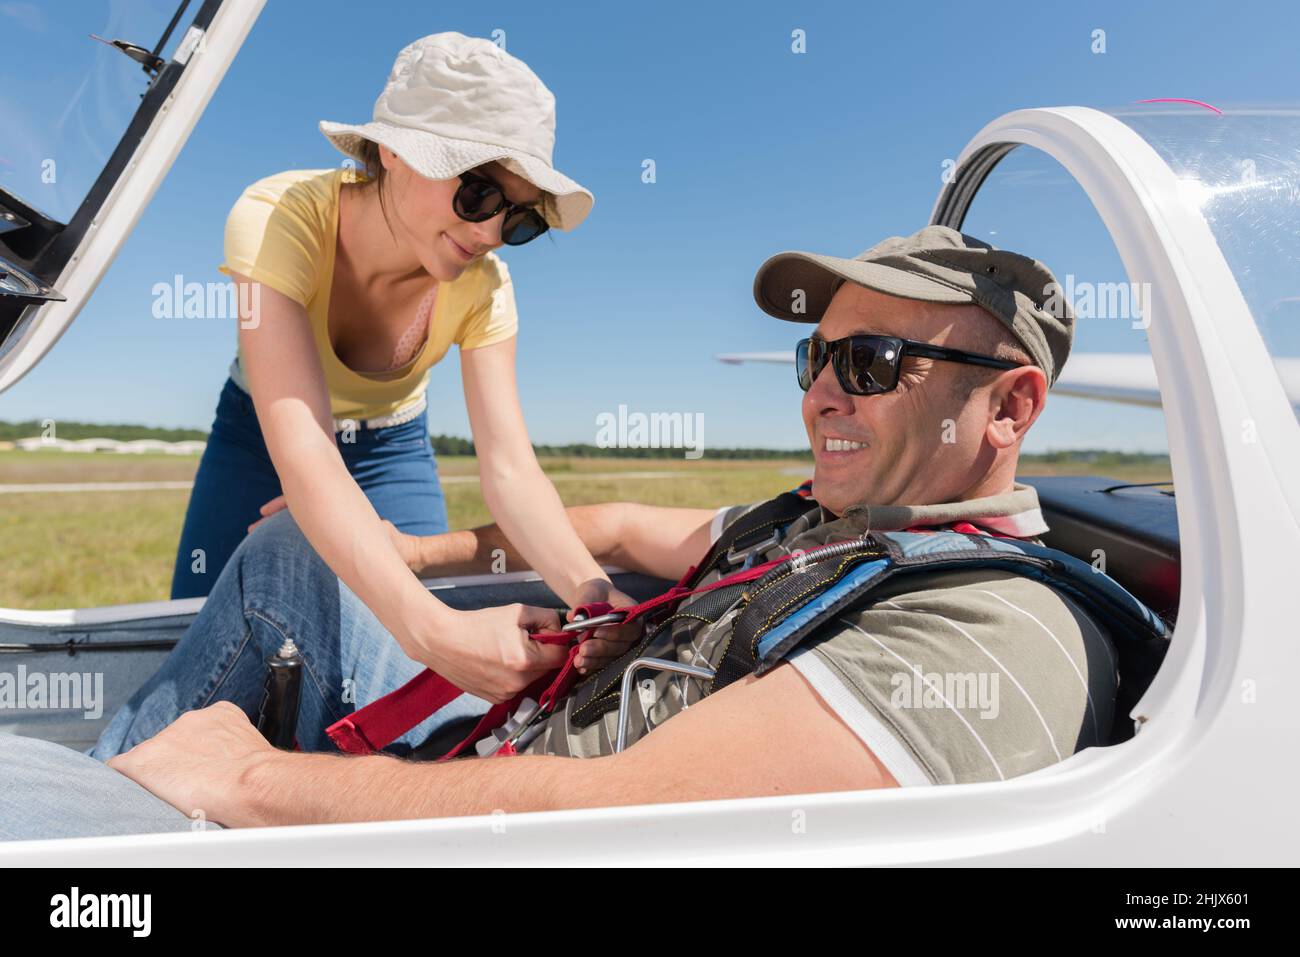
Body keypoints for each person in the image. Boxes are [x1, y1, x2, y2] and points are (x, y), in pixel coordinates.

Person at [1, 227, 1145, 840]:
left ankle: (131, 827)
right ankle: (137, 802)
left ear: (1010, 407)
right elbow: (612, 526)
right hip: (495, 745)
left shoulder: (985, 631)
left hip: (512, 815)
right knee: (300, 548)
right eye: (817, 359)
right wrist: (403, 557)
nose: (820, 396)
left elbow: (619, 816)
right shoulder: (821, 522)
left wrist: (250, 780)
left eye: (873, 363)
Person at [169, 33, 637, 715]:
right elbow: (304, 451)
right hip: (260, 432)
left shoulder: (487, 289)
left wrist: (589, 590)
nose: (492, 233)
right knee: (193, 626)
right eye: (477, 193)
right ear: (393, 150)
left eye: (520, 218)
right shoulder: (276, 218)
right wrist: (434, 632)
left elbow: (510, 471)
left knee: (393, 659)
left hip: (394, 447)